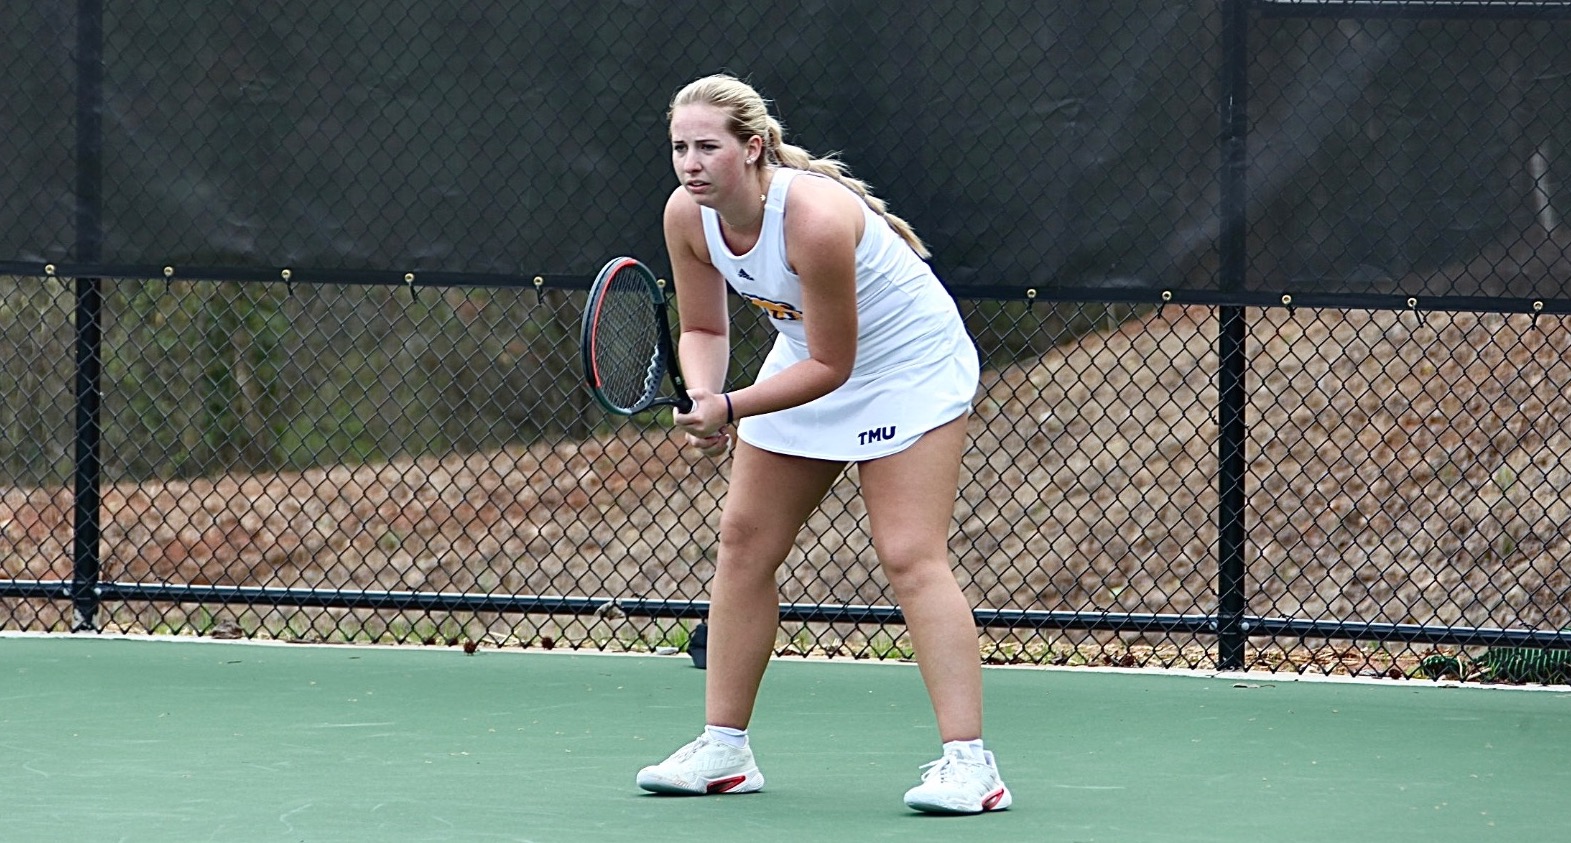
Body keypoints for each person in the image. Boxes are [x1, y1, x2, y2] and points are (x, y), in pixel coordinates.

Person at [633, 73, 1011, 815]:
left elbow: (835, 366)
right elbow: (705, 330)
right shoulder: (687, 215)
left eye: (707, 147)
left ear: (752, 148)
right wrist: (706, 394)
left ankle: (972, 765)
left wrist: (730, 405)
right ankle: (723, 750)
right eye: (679, 147)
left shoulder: (813, 219)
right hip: (805, 356)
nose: (690, 163)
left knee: (909, 553)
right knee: (743, 542)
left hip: (905, 367)